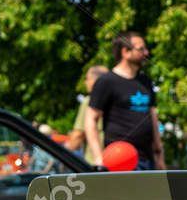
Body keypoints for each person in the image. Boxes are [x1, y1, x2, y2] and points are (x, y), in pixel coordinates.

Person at [86, 35, 163, 170]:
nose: (146, 52)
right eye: (141, 49)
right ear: (125, 52)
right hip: (121, 160)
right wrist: (98, 158)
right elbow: (90, 120)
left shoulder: (145, 81)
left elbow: (153, 118)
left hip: (147, 159)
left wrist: (159, 157)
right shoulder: (107, 81)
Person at [66, 65, 110, 165]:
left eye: (87, 79)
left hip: (96, 164)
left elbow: (78, 135)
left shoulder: (90, 102)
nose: (85, 82)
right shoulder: (118, 100)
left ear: (96, 80)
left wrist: (66, 148)